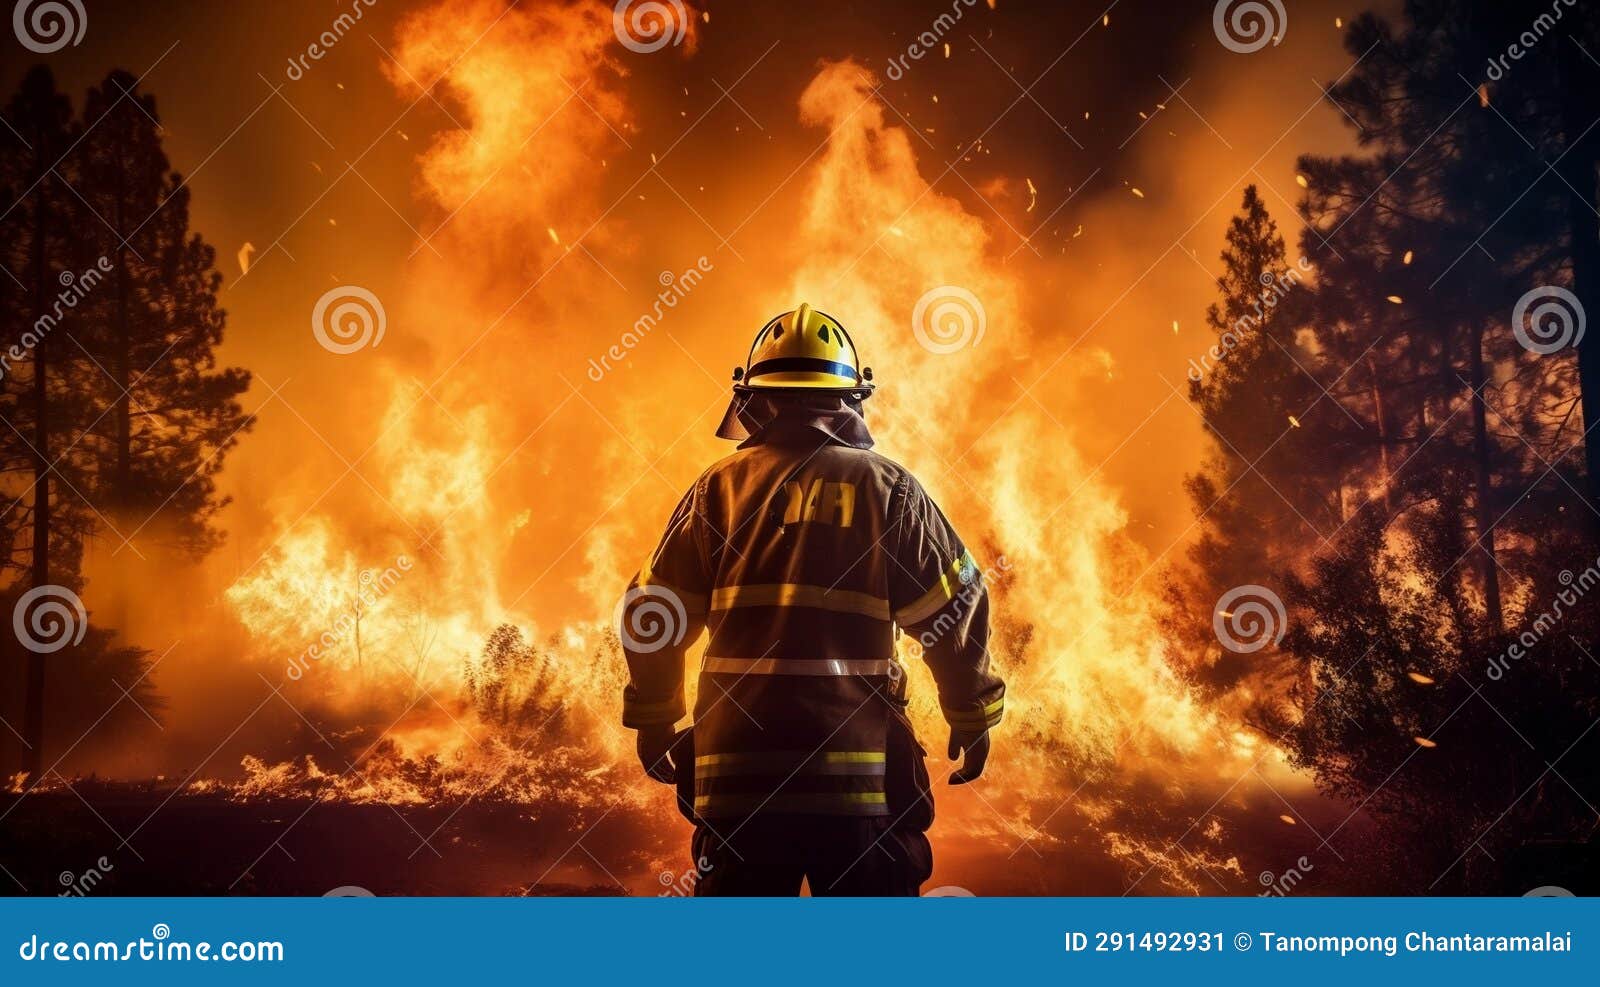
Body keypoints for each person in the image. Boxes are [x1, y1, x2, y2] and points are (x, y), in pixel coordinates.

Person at [618, 303, 1004, 896]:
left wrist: (654, 717)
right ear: (850, 399)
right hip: (858, 782)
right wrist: (970, 713)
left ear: (752, 401)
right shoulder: (888, 489)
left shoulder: (717, 490)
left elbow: (652, 611)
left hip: (738, 781)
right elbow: (956, 607)